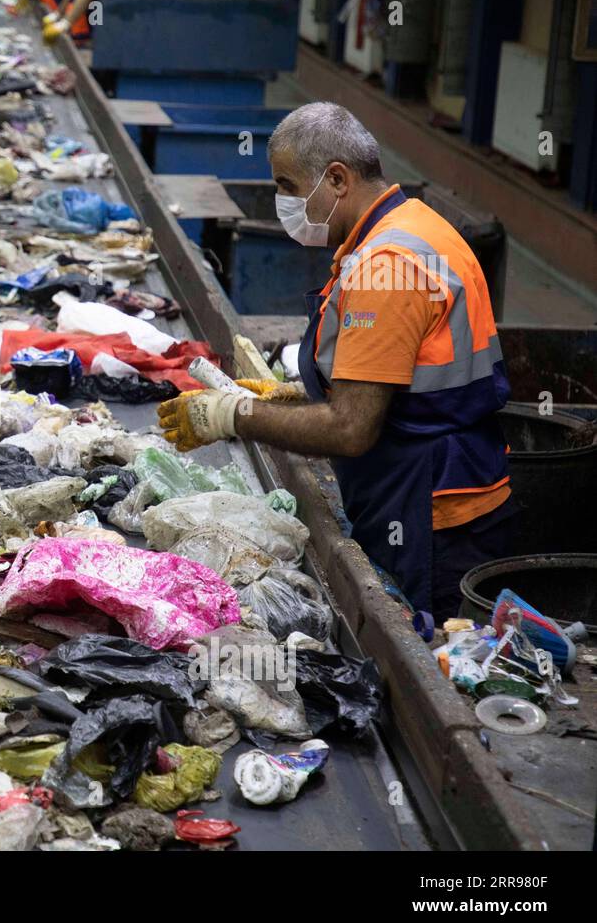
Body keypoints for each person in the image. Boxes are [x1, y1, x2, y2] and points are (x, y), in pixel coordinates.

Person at [157, 102, 513, 621]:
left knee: (429, 648)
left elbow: (351, 429)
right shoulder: (411, 226)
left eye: (286, 185)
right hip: (436, 486)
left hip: (430, 514)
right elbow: (397, 382)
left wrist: (230, 417)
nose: (282, 202)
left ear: (338, 179)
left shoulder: (387, 267)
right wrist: (293, 396)